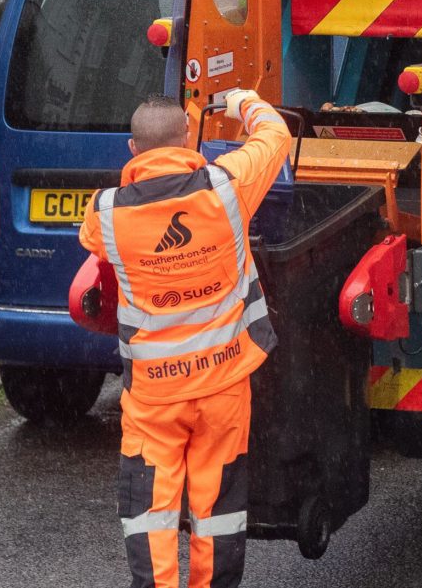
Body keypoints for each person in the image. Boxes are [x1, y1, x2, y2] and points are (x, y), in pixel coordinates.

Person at [80, 90, 291, 588]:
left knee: (151, 510)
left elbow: (91, 247)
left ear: (132, 149)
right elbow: (277, 134)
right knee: (217, 508)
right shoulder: (227, 187)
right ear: (189, 138)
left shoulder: (106, 214)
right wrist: (243, 102)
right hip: (223, 384)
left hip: (155, 394)